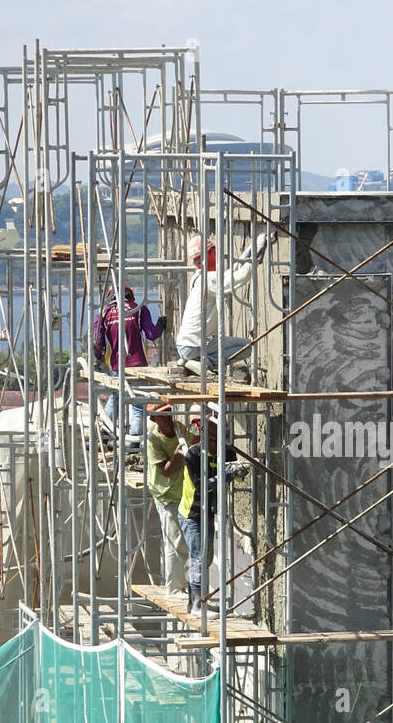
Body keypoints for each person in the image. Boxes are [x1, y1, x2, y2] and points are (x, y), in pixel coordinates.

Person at [178, 403, 250, 614]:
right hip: (192, 513)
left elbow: (233, 471)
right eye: (212, 439)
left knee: (205, 558)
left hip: (209, 511)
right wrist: (228, 473)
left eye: (219, 438)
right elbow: (204, 484)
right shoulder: (192, 455)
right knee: (199, 558)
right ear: (204, 436)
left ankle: (195, 602)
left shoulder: (226, 452)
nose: (215, 444)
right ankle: (198, 605)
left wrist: (240, 470)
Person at [175, 232, 268, 378]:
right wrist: (257, 257)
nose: (217, 256)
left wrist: (249, 250)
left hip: (185, 344)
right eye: (214, 252)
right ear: (209, 255)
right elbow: (238, 278)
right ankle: (205, 362)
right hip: (197, 344)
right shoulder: (208, 279)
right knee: (248, 347)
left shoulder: (199, 277)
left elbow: (227, 275)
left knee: (244, 345)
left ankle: (193, 360)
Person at [92, 286, 164, 448]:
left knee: (116, 397)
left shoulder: (103, 314)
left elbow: (98, 344)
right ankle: (134, 442)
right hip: (138, 364)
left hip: (116, 365)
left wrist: (98, 359)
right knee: (137, 404)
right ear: (130, 295)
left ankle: (106, 433)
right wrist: (161, 325)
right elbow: (152, 334)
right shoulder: (139, 309)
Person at [144, 401, 195, 595]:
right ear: (154, 419)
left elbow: (193, 442)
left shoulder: (178, 428)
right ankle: (174, 588)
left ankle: (183, 585)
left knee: (185, 541)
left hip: (184, 492)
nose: (168, 417)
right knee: (175, 541)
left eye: (169, 413)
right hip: (166, 495)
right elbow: (165, 472)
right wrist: (177, 455)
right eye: (163, 415)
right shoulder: (153, 440)